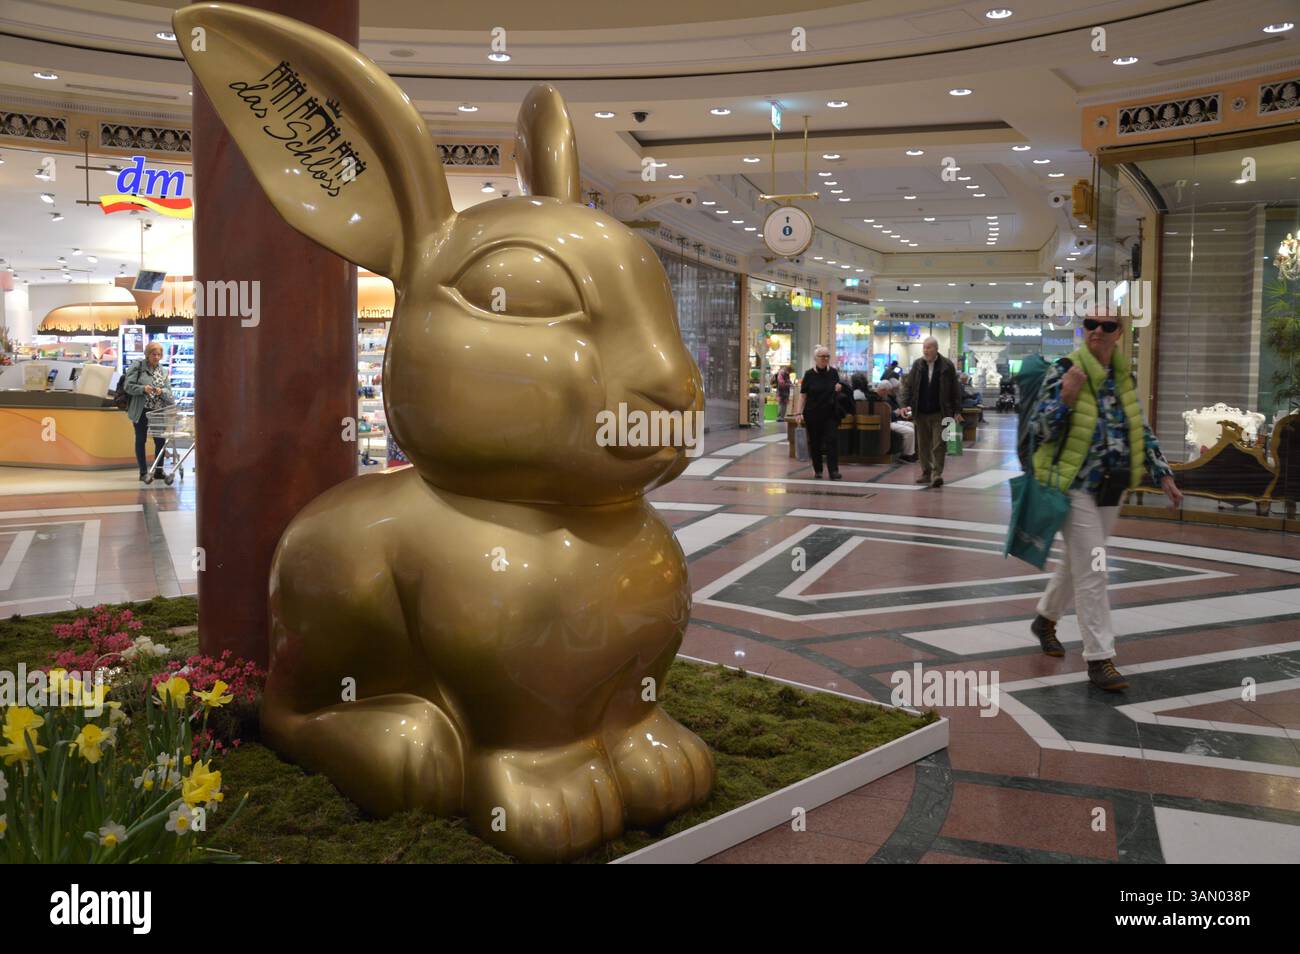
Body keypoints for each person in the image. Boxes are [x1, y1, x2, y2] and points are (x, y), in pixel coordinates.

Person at [1027, 312, 1182, 691]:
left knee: (1080, 561)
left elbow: (1139, 427)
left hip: (1113, 487)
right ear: (1083, 330)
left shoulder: (1124, 379)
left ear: (1119, 333)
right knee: (1094, 567)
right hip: (1073, 485)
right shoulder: (1064, 370)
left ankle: (1045, 618)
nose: (1098, 330)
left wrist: (1161, 472)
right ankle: (1100, 658)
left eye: (1108, 325)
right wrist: (1066, 397)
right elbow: (1038, 429)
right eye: (1091, 324)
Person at [900, 337, 962, 488]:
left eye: (928, 348)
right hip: (920, 411)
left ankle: (937, 474)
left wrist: (957, 411)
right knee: (923, 445)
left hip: (940, 412)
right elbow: (908, 386)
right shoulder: (918, 364)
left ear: (936, 348)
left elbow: (955, 389)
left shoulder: (947, 365)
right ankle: (926, 472)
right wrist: (904, 405)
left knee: (939, 444)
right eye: (924, 348)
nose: (925, 350)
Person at [124, 341, 174, 481]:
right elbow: (128, 386)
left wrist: (161, 391)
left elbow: (169, 392)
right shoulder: (138, 366)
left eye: (159, 354)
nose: (156, 357)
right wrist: (143, 389)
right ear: (147, 354)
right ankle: (143, 472)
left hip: (158, 410)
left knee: (160, 441)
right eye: (153, 354)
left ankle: (158, 471)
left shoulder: (163, 371)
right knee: (141, 439)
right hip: (141, 410)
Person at [795, 345, 844, 480]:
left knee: (832, 441)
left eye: (827, 356)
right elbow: (803, 395)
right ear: (815, 359)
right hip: (813, 413)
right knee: (815, 443)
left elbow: (838, 389)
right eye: (822, 356)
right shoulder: (809, 374)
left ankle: (833, 471)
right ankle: (818, 470)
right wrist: (798, 413)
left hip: (830, 413)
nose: (825, 359)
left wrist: (839, 388)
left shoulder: (834, 372)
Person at [874, 378, 917, 462]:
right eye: (887, 391)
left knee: (912, 425)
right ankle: (906, 455)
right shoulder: (876, 398)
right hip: (886, 422)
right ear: (883, 390)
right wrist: (896, 413)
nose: (888, 393)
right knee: (909, 431)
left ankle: (912, 452)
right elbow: (884, 415)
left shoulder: (885, 398)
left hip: (891, 420)